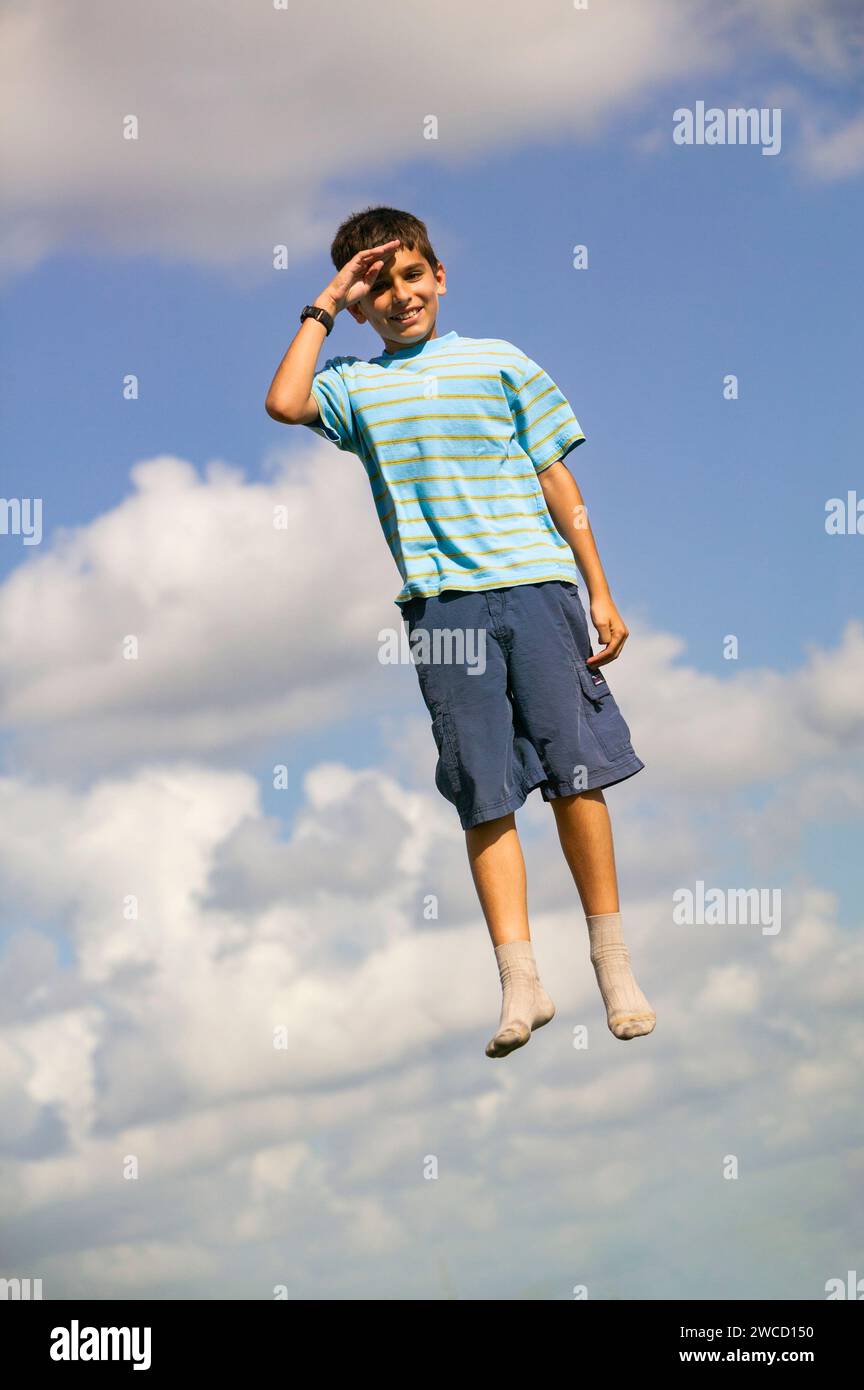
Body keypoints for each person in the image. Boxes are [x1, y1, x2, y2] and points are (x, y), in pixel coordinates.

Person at [265, 206, 655, 1058]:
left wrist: (601, 589)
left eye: (412, 275)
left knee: (576, 775)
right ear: (361, 303)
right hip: (443, 610)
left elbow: (559, 479)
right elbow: (283, 401)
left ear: (439, 276)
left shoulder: (500, 362)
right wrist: (328, 299)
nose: (400, 295)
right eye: (379, 285)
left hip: (538, 587)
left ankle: (612, 962)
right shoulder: (353, 387)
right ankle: (522, 983)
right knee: (483, 794)